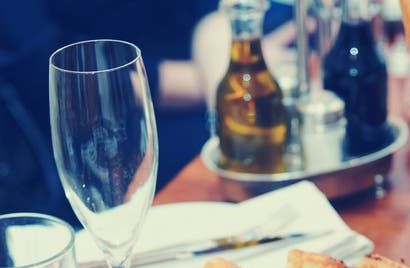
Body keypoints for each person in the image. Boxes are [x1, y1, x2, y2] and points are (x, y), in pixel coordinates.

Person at [0, 0, 295, 221]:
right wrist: (237, 79)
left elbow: (208, 12)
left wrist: (232, 58)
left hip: (205, 70)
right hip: (103, 121)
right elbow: (45, 68)